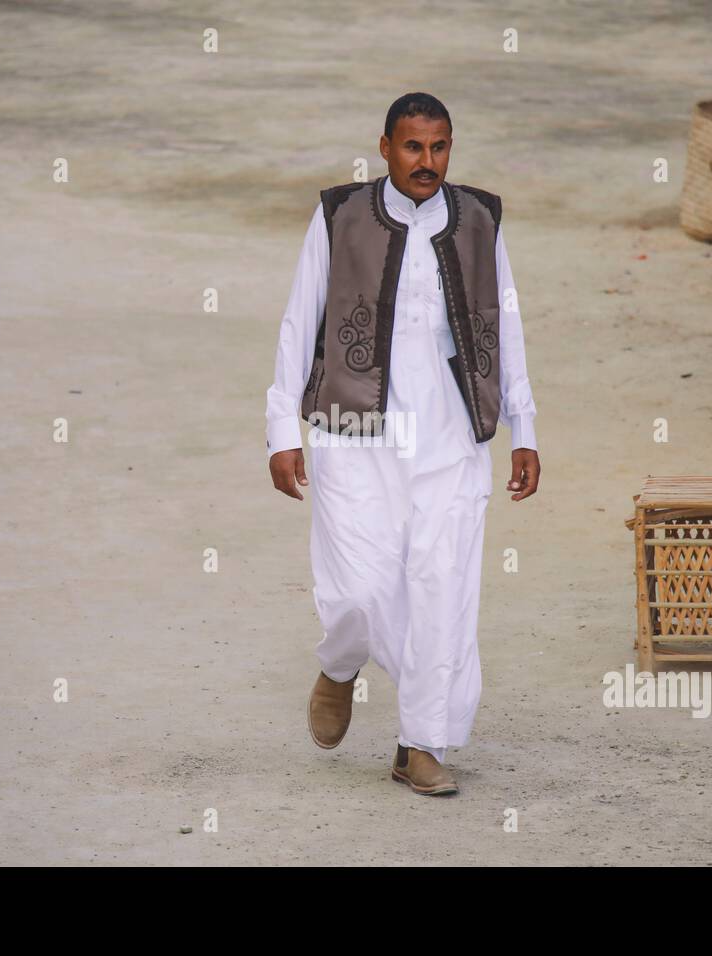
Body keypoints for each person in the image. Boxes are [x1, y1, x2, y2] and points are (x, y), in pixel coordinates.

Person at [264, 92, 540, 796]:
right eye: (413, 147)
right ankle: (339, 662)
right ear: (385, 147)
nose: (428, 162)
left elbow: (503, 325)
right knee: (360, 588)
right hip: (353, 429)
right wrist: (280, 431)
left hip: (450, 429)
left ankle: (419, 745)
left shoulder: (480, 218)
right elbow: (300, 322)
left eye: (440, 146)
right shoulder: (340, 214)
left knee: (441, 590)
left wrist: (524, 428)